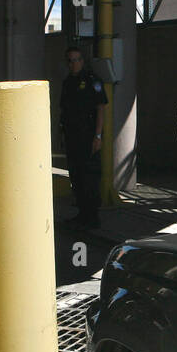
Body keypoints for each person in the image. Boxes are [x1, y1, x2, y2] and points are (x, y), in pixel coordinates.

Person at [60, 46, 108, 229]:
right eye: (70, 61)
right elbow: (63, 110)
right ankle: (82, 213)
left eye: (76, 60)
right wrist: (61, 133)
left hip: (88, 136)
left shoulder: (92, 81)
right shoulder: (67, 83)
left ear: (83, 61)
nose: (73, 64)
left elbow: (101, 108)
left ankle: (92, 216)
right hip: (72, 136)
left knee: (90, 176)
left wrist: (97, 135)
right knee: (76, 175)